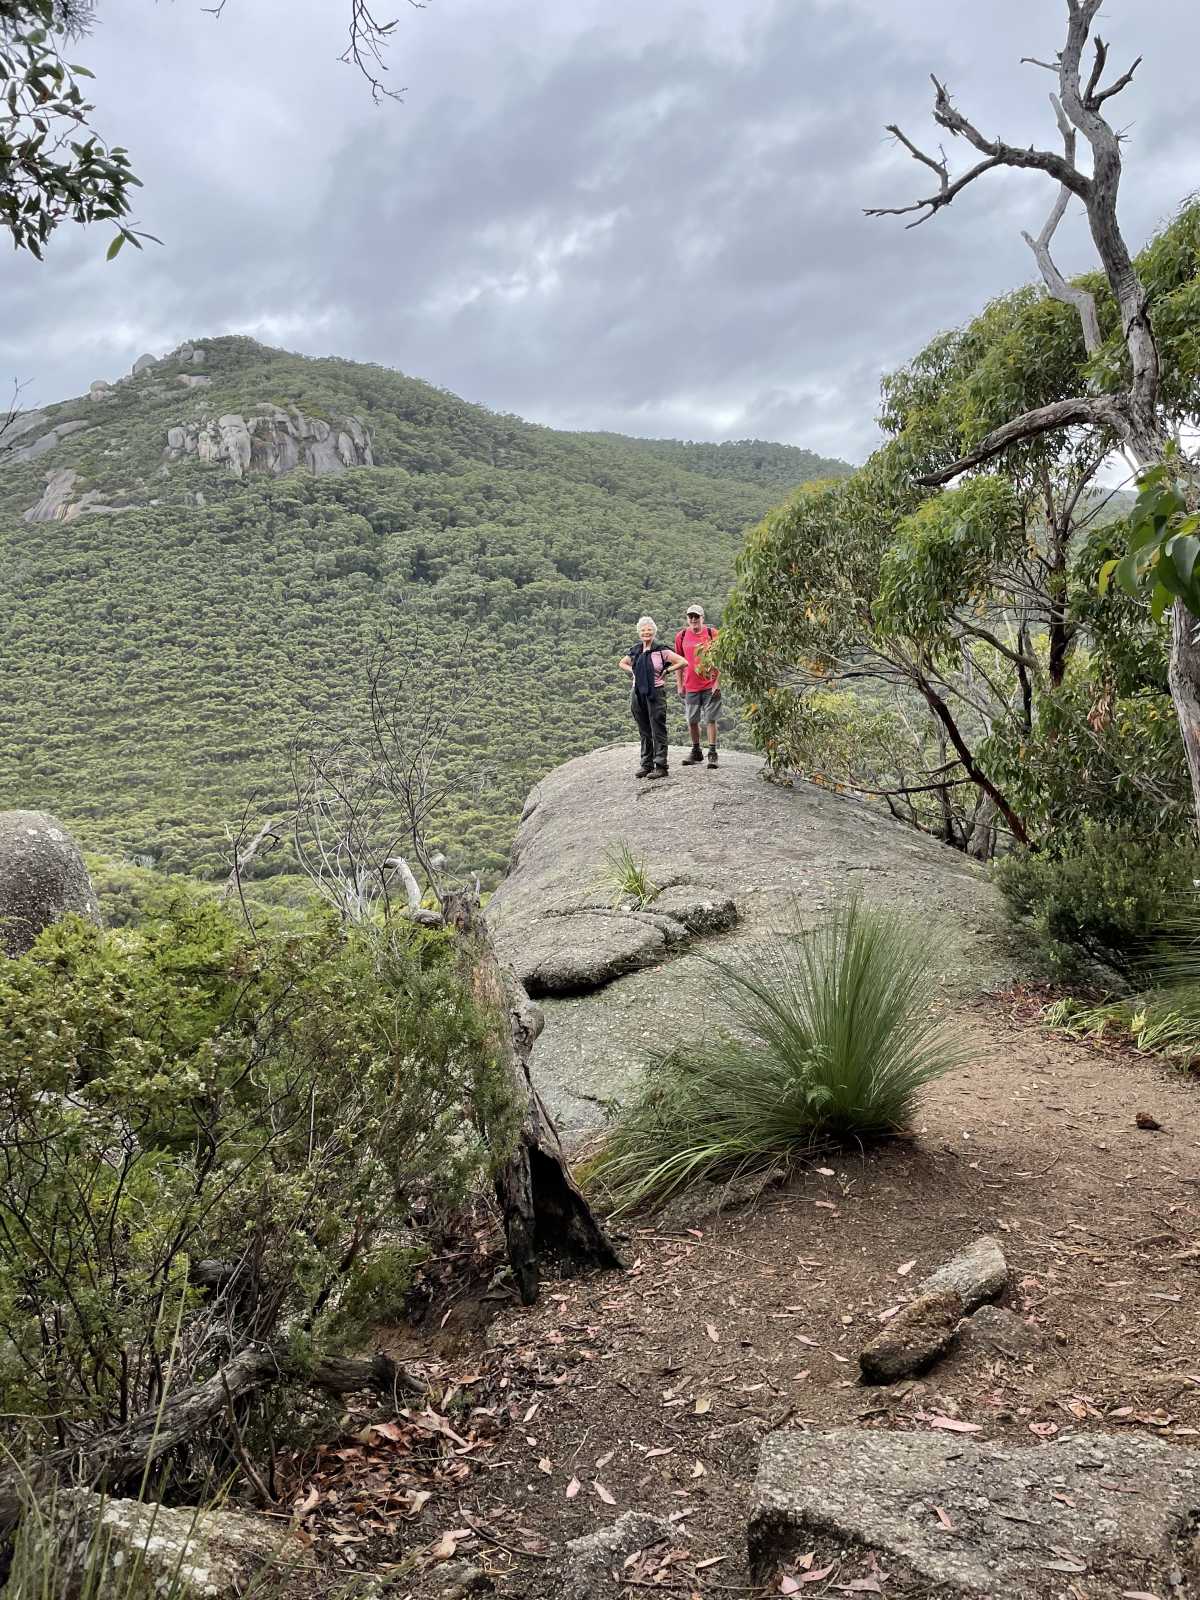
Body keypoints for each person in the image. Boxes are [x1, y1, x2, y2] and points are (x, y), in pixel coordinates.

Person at [619, 617, 687, 779]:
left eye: (649, 630)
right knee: (644, 729)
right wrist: (633, 672)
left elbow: (683, 662)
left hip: (655, 692)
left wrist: (667, 671)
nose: (646, 632)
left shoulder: (661, 650)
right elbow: (622, 663)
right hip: (637, 692)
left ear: (654, 632)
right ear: (639, 632)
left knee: (657, 728)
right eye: (643, 630)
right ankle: (646, 764)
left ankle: (661, 765)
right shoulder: (635, 650)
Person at [674, 603, 721, 768]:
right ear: (687, 619)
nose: (693, 619)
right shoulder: (680, 636)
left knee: (710, 719)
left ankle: (713, 752)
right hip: (691, 686)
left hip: (710, 685)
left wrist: (717, 682)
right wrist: (679, 685)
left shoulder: (712, 634)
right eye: (690, 617)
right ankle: (696, 751)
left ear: (703, 618)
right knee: (692, 720)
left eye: (696, 616)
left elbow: (720, 660)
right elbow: (678, 662)